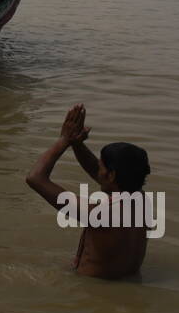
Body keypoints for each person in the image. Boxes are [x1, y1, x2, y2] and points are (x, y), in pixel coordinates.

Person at [25, 104, 153, 280]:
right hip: (120, 288)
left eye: (101, 166)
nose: (97, 170)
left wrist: (64, 140)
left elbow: (35, 178)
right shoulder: (141, 200)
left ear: (112, 175)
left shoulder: (100, 214)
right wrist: (77, 144)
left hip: (94, 292)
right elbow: (101, 175)